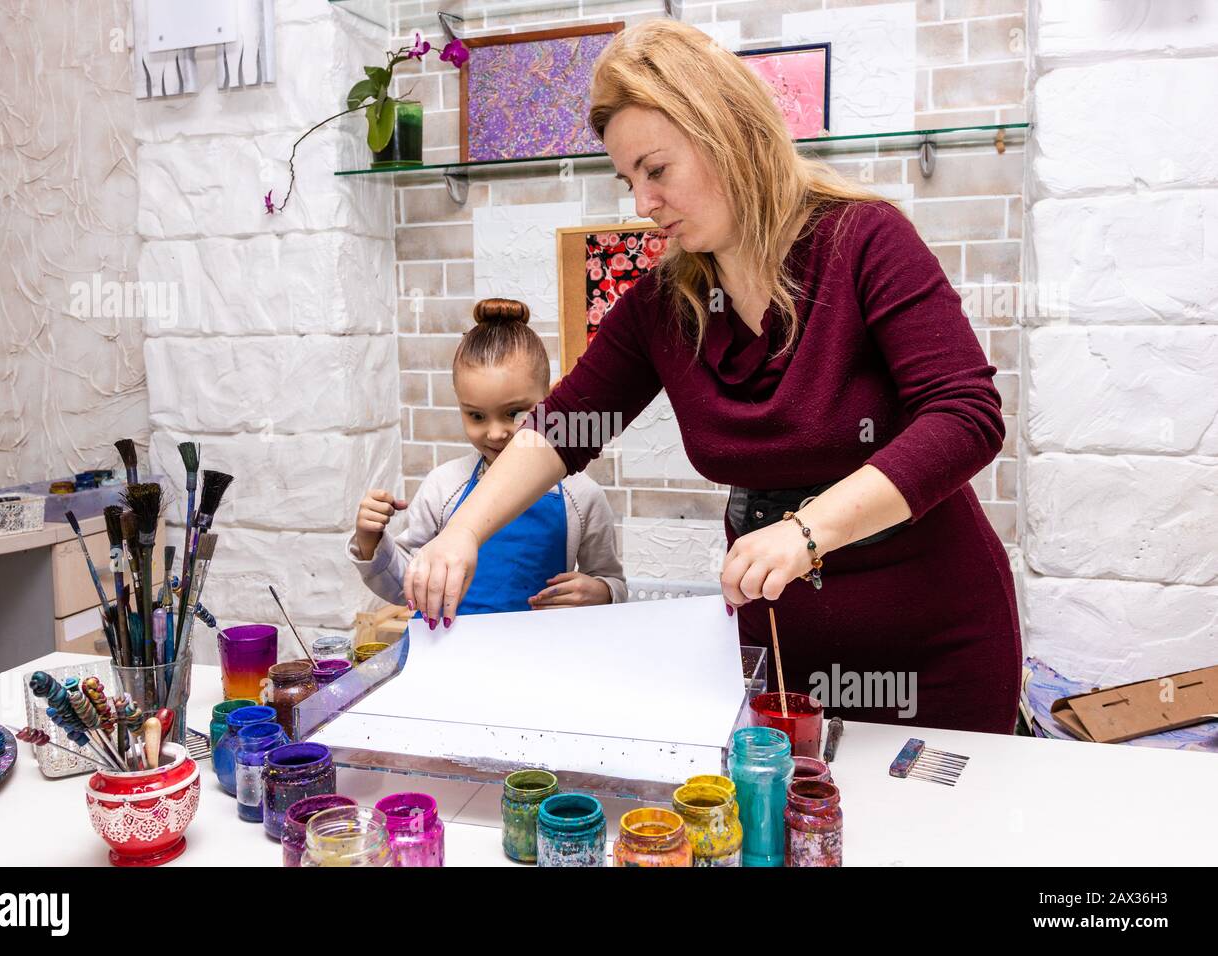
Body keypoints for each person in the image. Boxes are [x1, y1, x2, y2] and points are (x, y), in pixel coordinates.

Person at [399, 20, 1021, 734]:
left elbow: (966, 415)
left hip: (934, 648)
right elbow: (565, 428)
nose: (642, 203)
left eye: (656, 170)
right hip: (777, 654)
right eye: (628, 179)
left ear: (727, 133)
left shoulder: (864, 240)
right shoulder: (664, 304)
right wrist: (462, 533)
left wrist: (807, 531)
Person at [348, 297, 626, 627]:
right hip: (451, 660)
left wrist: (602, 592)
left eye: (514, 413)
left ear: (552, 401)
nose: (495, 433)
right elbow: (404, 587)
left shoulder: (582, 496)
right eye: (476, 415)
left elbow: (615, 584)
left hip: (540, 661)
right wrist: (370, 540)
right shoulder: (443, 486)